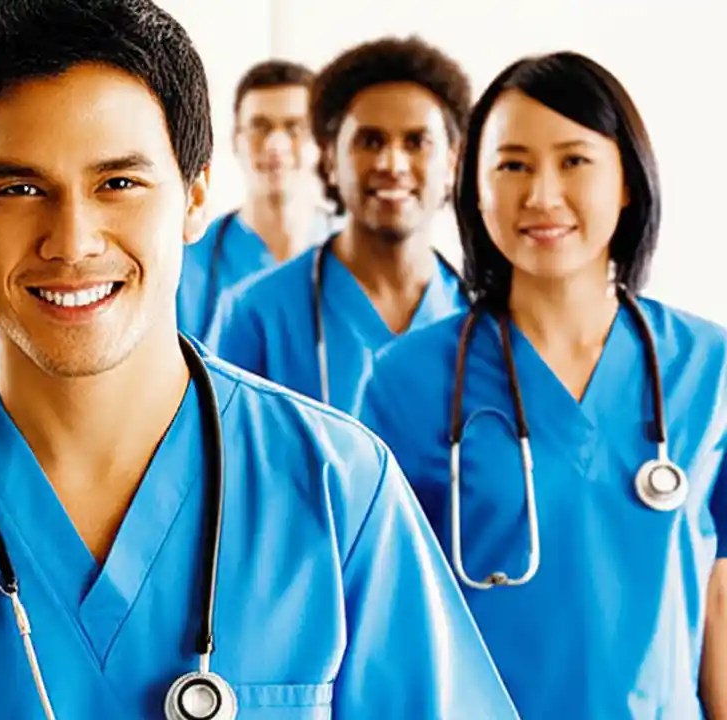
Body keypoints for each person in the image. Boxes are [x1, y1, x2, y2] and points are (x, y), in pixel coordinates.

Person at [0, 2, 519, 718]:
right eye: (20, 190)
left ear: (196, 196)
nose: (72, 242)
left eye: (119, 183)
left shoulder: (340, 495)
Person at [358, 51, 727, 718]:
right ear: (475, 187)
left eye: (574, 161)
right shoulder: (406, 382)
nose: (542, 195)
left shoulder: (710, 367)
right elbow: (385, 612)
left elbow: (723, 597)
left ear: (627, 181)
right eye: (513, 164)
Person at [207, 37, 470, 415]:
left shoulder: (476, 318)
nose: (392, 163)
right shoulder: (255, 315)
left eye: (417, 142)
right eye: (370, 140)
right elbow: (220, 461)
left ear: (452, 161)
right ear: (329, 158)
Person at [175, 60, 332, 342]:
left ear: (323, 142)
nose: (276, 145)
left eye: (295, 128)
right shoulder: (189, 261)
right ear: (236, 140)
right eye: (260, 127)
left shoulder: (354, 255)